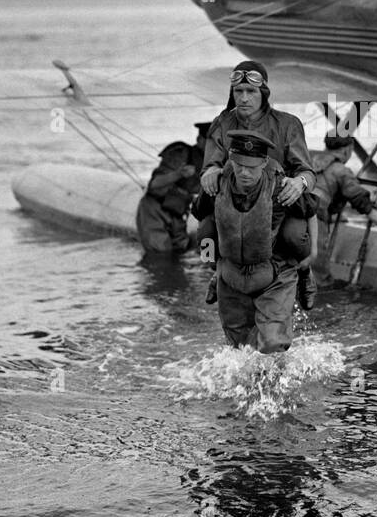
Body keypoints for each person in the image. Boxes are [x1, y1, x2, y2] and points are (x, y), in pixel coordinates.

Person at [201, 61, 317, 308]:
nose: (244, 98)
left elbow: (307, 171)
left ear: (263, 93)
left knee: (296, 239)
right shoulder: (222, 123)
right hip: (233, 201)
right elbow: (209, 164)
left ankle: (303, 271)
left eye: (251, 91)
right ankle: (215, 270)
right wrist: (210, 172)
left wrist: (299, 182)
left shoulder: (288, 124)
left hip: (276, 203)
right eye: (238, 92)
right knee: (204, 238)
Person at [192, 130, 316, 353]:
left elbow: (312, 211)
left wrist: (312, 254)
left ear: (264, 162)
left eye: (251, 167)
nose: (244, 172)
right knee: (239, 349)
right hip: (231, 270)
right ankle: (214, 274)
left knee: (272, 343)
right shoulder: (218, 184)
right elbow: (198, 213)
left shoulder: (280, 187)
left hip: (272, 271)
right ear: (231, 160)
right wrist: (213, 262)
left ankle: (303, 275)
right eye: (239, 165)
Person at [311, 132, 377, 241]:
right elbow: (365, 205)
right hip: (312, 223)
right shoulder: (342, 172)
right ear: (347, 150)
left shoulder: (308, 159)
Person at [136, 122, 210, 256]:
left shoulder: (215, 162)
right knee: (161, 257)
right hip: (156, 212)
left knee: (178, 255)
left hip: (178, 215)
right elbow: (154, 184)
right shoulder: (182, 154)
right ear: (200, 140)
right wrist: (178, 174)